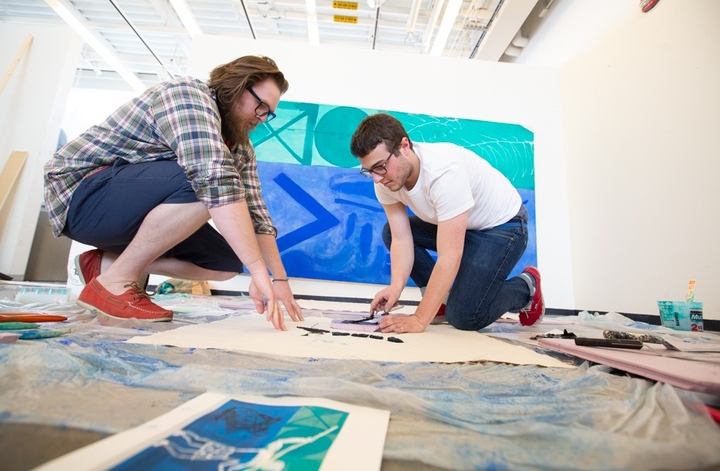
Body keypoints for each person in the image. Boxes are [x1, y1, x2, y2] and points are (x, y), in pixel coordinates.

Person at [44, 55, 303, 330]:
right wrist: (258, 270)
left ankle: (109, 263)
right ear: (236, 86)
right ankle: (115, 282)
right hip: (81, 197)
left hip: (125, 215)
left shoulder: (241, 148)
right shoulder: (187, 96)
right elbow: (211, 176)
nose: (261, 118)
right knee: (207, 179)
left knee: (226, 263)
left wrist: (279, 280)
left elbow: (257, 216)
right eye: (260, 106)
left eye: (268, 113)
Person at [349, 113, 544, 334]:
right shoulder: (384, 181)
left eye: (381, 166)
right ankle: (440, 300)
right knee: (391, 233)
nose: (376, 178)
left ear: (404, 146)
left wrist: (419, 319)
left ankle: (527, 286)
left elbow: (450, 255)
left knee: (465, 317)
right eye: (369, 171)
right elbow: (402, 238)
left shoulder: (444, 173)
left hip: (503, 228)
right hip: (464, 226)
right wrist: (396, 287)